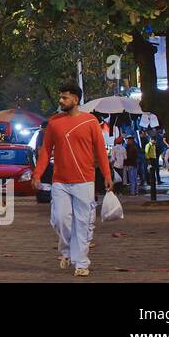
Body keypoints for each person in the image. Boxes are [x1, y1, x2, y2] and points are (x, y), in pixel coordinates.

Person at [32, 84, 112, 277]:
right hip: (60, 180)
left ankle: (81, 263)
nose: (61, 101)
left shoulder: (90, 121)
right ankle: (66, 251)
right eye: (60, 97)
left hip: (85, 180)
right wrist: (37, 174)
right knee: (60, 220)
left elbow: (100, 151)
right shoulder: (53, 123)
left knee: (83, 223)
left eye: (65, 98)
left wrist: (107, 175)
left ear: (76, 100)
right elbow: (45, 152)